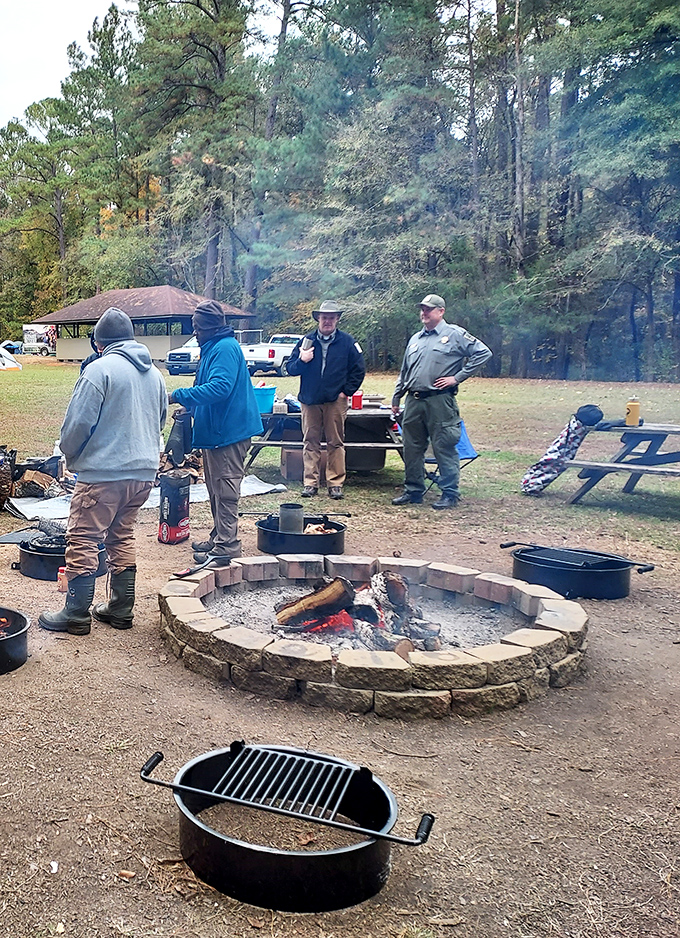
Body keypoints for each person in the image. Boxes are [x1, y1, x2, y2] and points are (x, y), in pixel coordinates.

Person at [39, 308, 167, 635]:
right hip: (143, 473)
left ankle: (76, 614)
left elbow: (77, 425)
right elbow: (160, 420)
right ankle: (120, 609)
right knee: (121, 533)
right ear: (131, 339)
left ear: (99, 343)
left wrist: (70, 454)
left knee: (83, 537)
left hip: (105, 474)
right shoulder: (154, 374)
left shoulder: (99, 370)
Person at [169, 300, 263, 564]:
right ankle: (220, 536)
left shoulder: (223, 349)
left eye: (197, 328)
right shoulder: (213, 347)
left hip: (229, 432)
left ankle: (227, 545)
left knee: (226, 488)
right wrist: (190, 409)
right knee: (215, 488)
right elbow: (207, 386)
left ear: (210, 327)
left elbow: (220, 388)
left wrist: (178, 395)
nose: (195, 333)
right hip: (216, 431)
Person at [391, 294, 492, 509]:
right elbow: (405, 371)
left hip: (439, 401)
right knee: (411, 447)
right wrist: (397, 397)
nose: (424, 313)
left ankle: (449, 493)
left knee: (443, 446)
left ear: (441, 311)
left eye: (429, 309)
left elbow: (483, 353)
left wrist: (456, 378)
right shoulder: (416, 339)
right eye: (422, 309)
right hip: (413, 401)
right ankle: (413, 490)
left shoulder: (454, 334)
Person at [286, 300, 365, 500]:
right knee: (310, 442)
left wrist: (346, 391)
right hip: (309, 400)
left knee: (335, 442)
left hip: (335, 401)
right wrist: (302, 360)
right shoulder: (307, 341)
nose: (327, 321)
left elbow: (359, 370)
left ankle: (335, 483)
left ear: (337, 319)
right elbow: (291, 368)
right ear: (318, 319)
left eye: (331, 317)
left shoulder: (348, 342)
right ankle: (310, 484)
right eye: (324, 317)